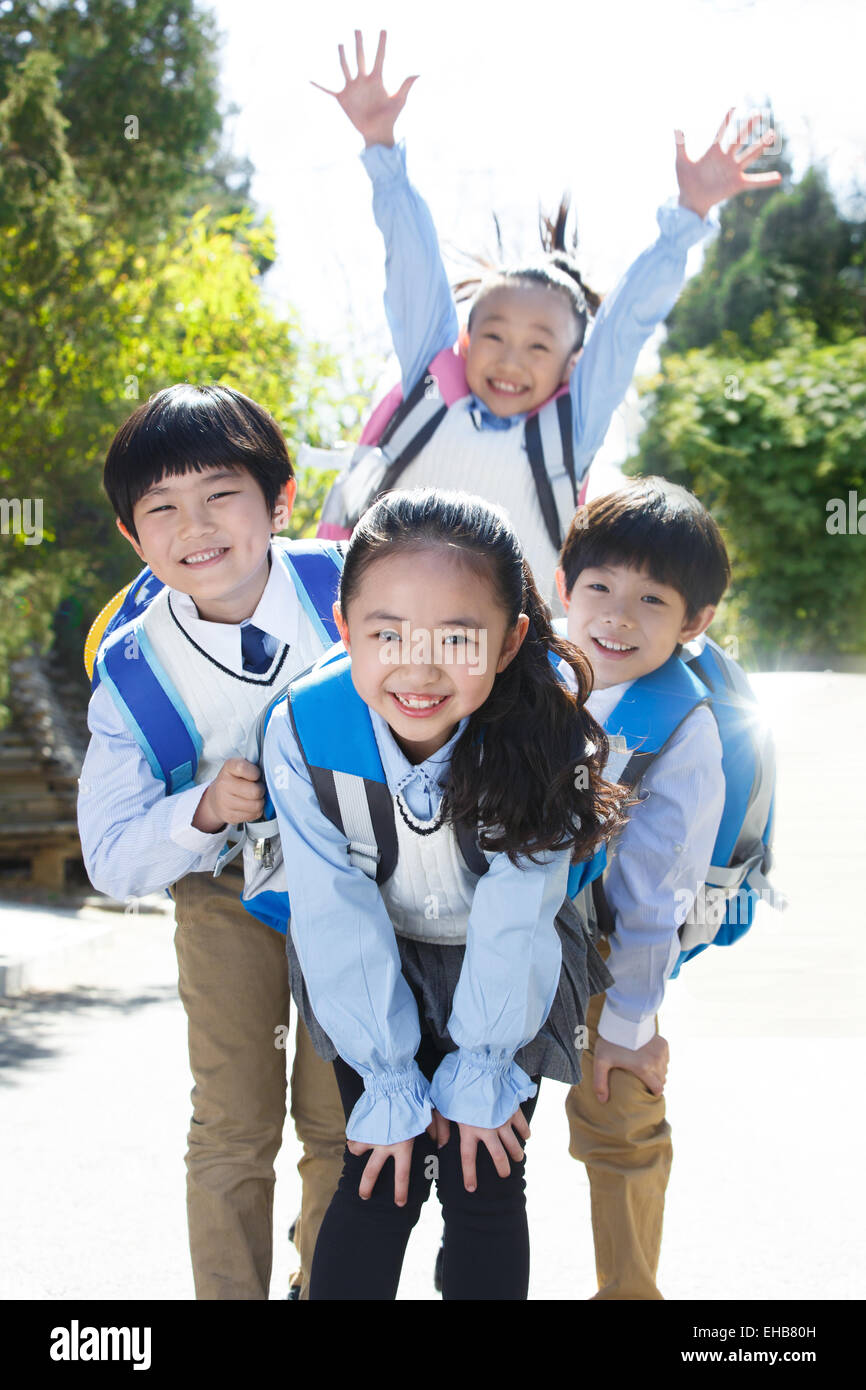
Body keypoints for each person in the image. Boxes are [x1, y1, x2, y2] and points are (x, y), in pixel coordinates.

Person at [262, 487, 627, 1300]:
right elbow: (332, 910)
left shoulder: (542, 731)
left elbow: (520, 913)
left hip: (509, 961)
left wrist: (484, 1062)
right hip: (371, 957)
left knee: (482, 1168)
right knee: (380, 1169)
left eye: (459, 638)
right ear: (342, 625)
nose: (419, 667)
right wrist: (387, 1076)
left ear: (510, 642)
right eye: (386, 632)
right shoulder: (303, 728)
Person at [313, 30, 781, 607]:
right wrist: (380, 146)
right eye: (493, 336)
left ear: (570, 367)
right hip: (383, 637)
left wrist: (689, 215)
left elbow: (625, 327)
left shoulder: (572, 426)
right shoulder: (429, 384)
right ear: (463, 340)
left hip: (511, 669)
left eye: (538, 347)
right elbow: (409, 264)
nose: (510, 358)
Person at [76, 384, 346, 1300]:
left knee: (344, 1117)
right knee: (232, 1124)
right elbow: (110, 856)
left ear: (280, 502)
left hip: (362, 887)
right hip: (225, 892)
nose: (195, 523)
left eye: (220, 493)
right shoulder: (130, 670)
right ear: (133, 536)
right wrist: (201, 808)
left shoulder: (353, 591)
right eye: (161, 507)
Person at [553, 476, 732, 1299]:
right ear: (565, 587)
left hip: (613, 950)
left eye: (652, 600)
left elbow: (660, 893)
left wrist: (628, 1022)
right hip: (508, 931)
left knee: (619, 1120)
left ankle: (628, 1291)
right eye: (600, 588)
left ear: (694, 623)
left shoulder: (683, 728)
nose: (617, 617)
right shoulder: (533, 675)